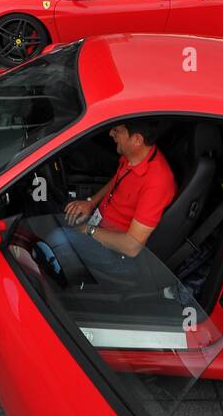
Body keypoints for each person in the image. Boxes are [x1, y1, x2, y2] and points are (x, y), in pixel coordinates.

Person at [45, 119, 177, 290]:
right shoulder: (134, 156)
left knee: (57, 239)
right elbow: (118, 180)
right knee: (52, 210)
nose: (111, 134)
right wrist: (91, 202)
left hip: (118, 255)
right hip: (101, 225)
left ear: (137, 139)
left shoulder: (157, 182)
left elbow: (132, 246)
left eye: (117, 131)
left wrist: (89, 230)